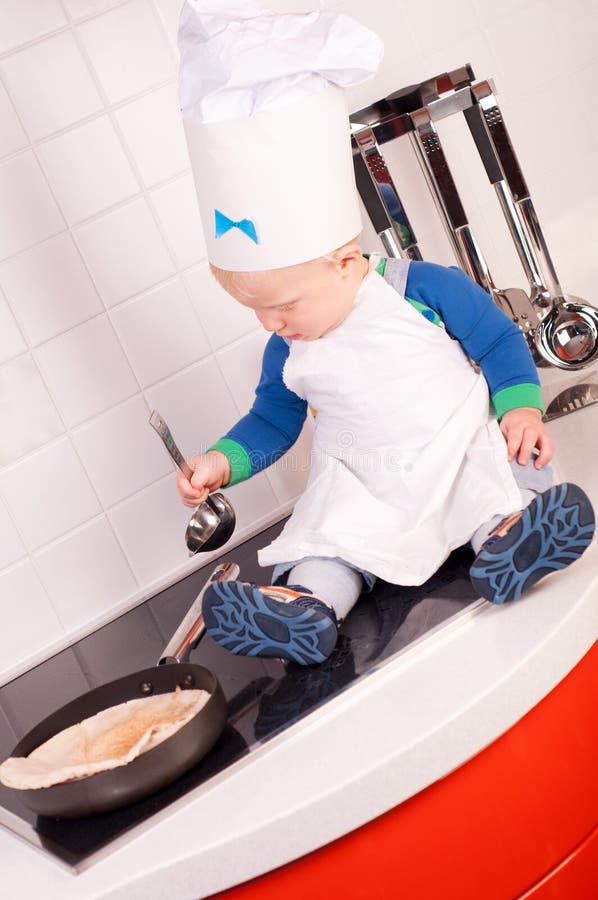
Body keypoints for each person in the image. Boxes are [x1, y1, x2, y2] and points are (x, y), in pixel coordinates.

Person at [176, 2, 595, 665]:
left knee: (501, 476)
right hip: (365, 481)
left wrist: (520, 410)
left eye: (281, 307)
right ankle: (306, 608)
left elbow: (497, 345)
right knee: (327, 534)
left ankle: (512, 538)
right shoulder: (287, 346)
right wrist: (221, 461)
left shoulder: (421, 288)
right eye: (256, 312)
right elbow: (272, 421)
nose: (269, 324)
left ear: (345, 263)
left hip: (456, 448)